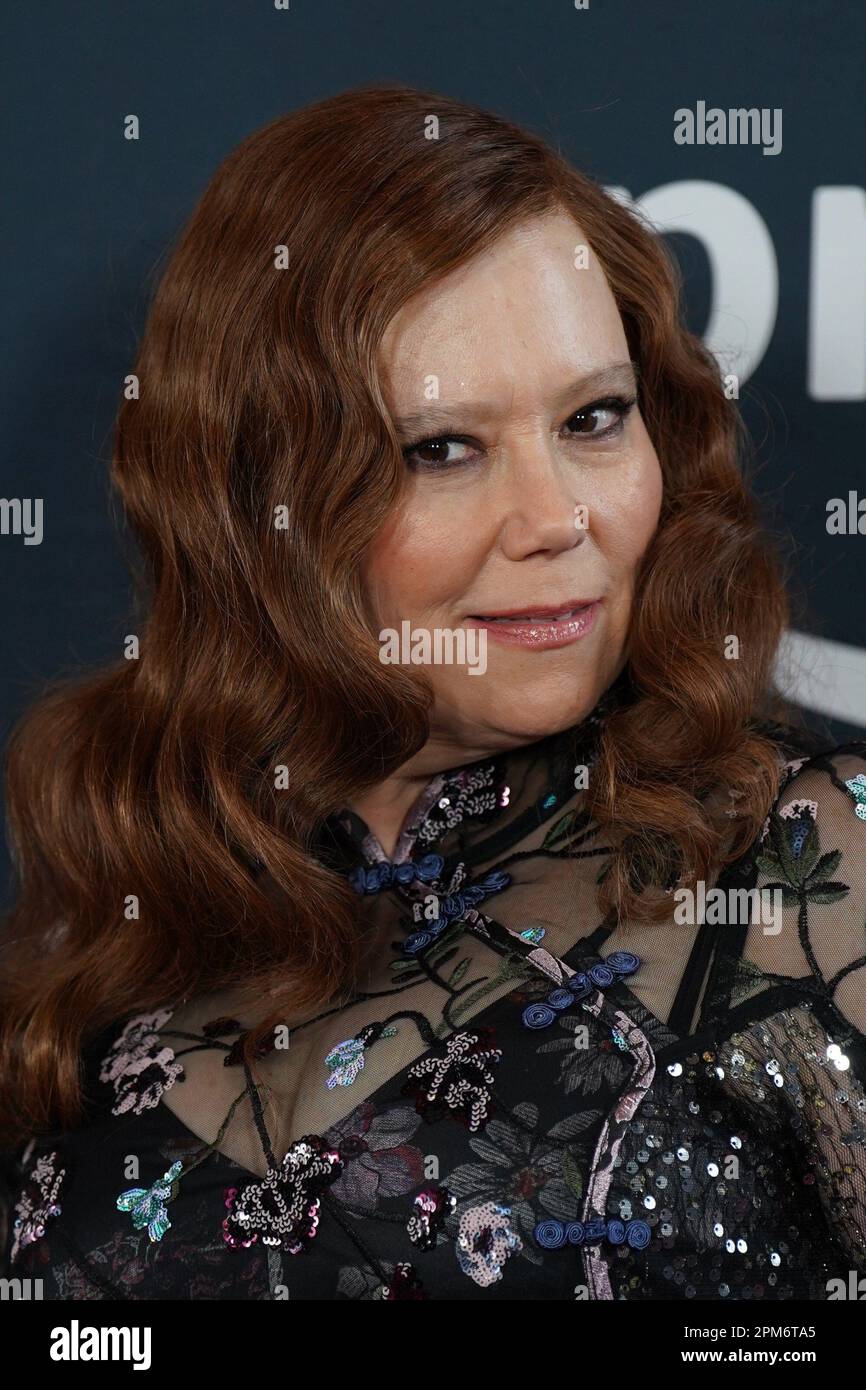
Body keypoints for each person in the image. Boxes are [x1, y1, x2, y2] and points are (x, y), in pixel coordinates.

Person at [1, 84, 864, 1302]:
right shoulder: (124, 910)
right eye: (440, 449)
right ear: (261, 505)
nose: (558, 519)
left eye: (594, 418)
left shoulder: (805, 868)